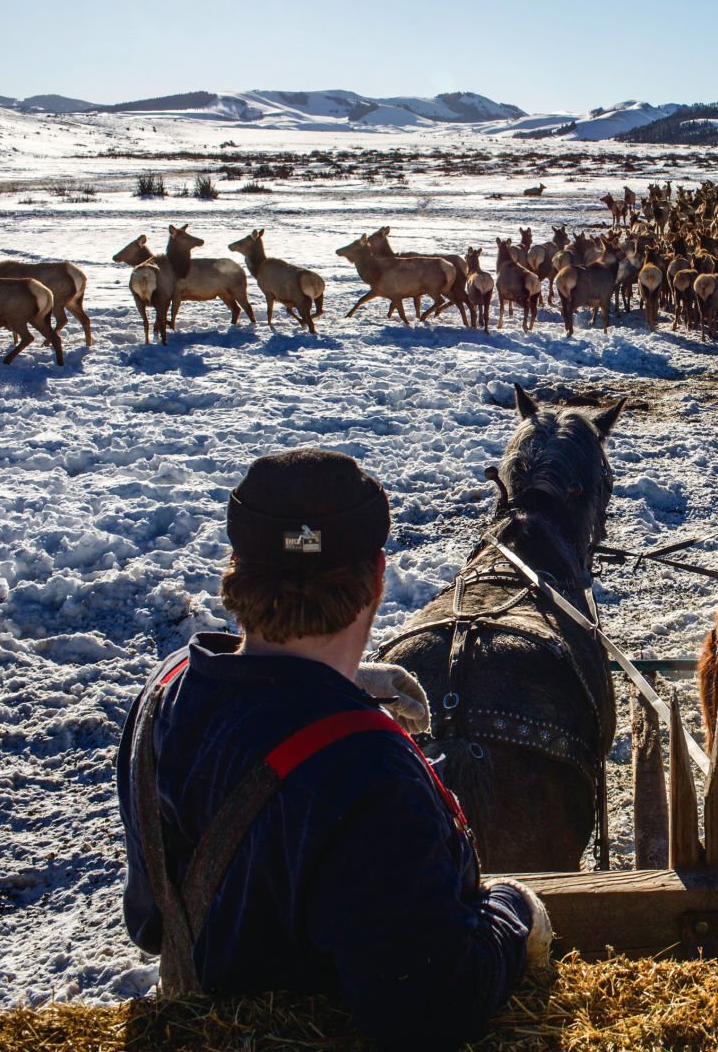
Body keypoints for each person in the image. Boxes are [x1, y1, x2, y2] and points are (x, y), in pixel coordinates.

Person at [117, 448, 547, 1050]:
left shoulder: (161, 696)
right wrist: (514, 913)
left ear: (236, 571)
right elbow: (431, 1008)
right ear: (377, 578)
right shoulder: (370, 775)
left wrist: (332, 687)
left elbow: (148, 921)